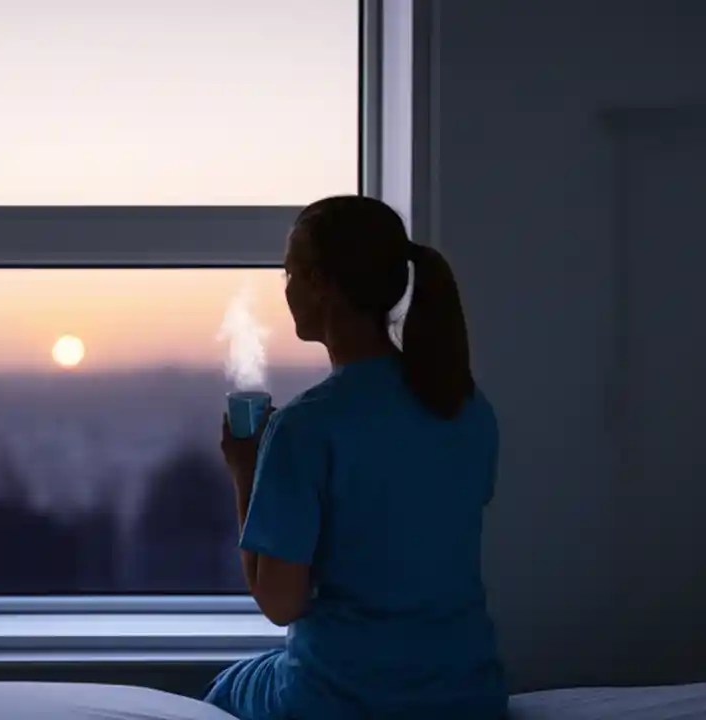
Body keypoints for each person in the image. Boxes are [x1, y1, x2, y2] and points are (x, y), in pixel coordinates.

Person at [208, 196, 507, 720]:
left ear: (320, 282)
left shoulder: (306, 426)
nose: (286, 290)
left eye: (290, 273)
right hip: (467, 696)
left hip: (345, 700)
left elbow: (280, 604)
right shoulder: (467, 407)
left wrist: (246, 474)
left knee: (227, 689)